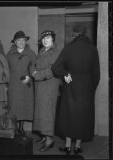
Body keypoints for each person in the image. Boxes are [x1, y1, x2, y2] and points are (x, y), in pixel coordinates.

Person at [51, 25, 100, 155]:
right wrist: (91, 89)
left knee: (69, 116)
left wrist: (65, 74)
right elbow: (97, 75)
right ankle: (77, 147)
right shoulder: (93, 50)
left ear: (74, 34)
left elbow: (55, 68)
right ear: (85, 34)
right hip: (87, 89)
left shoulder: (69, 49)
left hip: (70, 88)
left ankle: (67, 147)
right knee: (82, 118)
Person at [32, 30, 61, 152]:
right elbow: (34, 64)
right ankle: (44, 136)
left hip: (49, 85)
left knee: (48, 111)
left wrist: (37, 75)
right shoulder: (42, 51)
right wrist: (33, 71)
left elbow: (52, 69)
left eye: (48, 38)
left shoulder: (55, 52)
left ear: (53, 40)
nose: (45, 40)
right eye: (43, 38)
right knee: (41, 111)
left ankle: (50, 140)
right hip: (40, 86)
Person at [6, 31, 36, 135]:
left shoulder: (31, 54)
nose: (21, 42)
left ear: (26, 41)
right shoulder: (9, 54)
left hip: (26, 83)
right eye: (18, 40)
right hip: (13, 83)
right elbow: (6, 70)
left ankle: (21, 127)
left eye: (23, 40)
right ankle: (14, 127)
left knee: (24, 105)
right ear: (14, 42)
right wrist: (6, 83)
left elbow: (34, 69)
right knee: (14, 105)